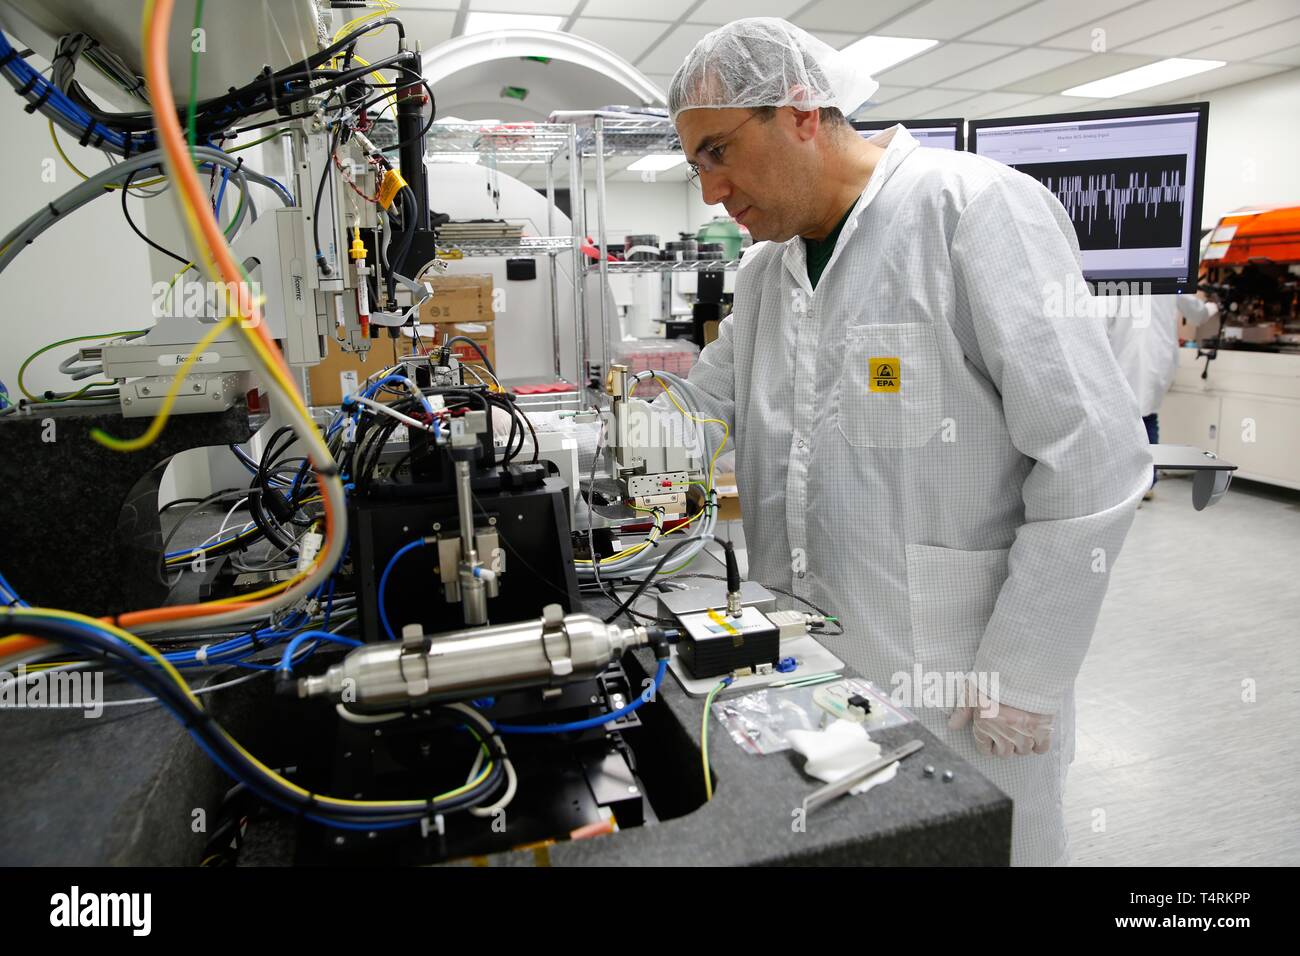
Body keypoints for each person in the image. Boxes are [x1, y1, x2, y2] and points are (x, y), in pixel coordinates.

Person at [660, 18, 1152, 865]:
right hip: (809, 672)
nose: (711, 192)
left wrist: (1024, 677)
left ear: (801, 112)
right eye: (696, 165)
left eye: (718, 152)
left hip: (962, 683)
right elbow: (703, 406)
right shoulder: (767, 271)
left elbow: (1092, 459)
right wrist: (608, 450)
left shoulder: (971, 210)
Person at [1105, 294, 1219, 501]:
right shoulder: (1168, 281)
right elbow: (1197, 313)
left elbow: (1104, 320)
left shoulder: (1119, 281)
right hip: (1153, 358)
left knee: (1130, 421)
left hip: (1125, 357)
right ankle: (1144, 484)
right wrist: (1212, 306)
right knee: (1144, 418)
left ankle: (1133, 487)